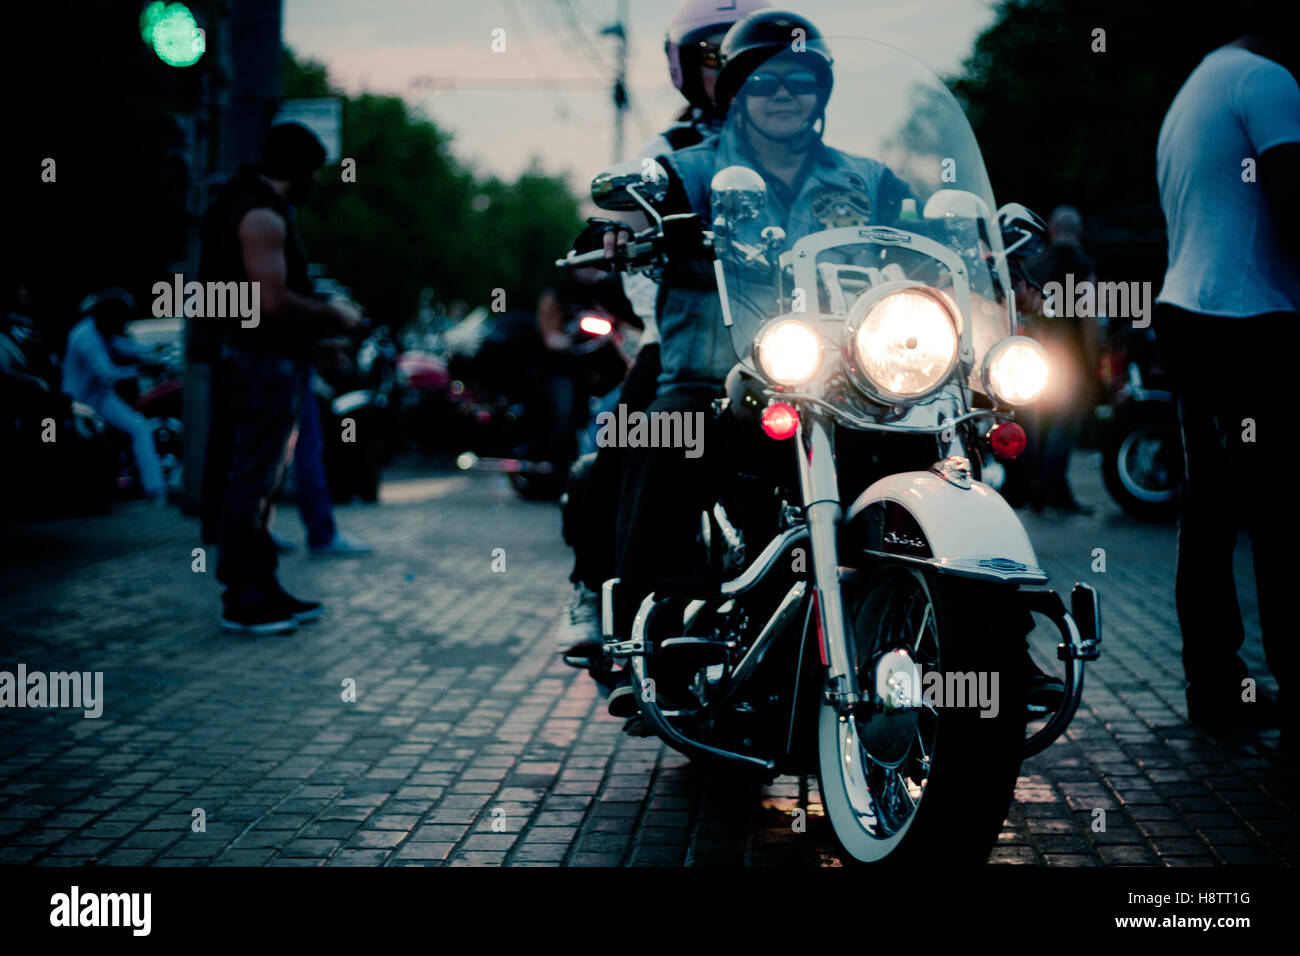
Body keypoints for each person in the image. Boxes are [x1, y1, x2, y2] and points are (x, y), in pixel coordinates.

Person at [555, 0, 770, 655]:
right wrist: (620, 233)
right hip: (685, 338)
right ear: (685, 66)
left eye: (757, 60)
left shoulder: (826, 161)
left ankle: (982, 631)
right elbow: (625, 216)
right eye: (713, 54)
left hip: (799, 343)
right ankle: (607, 596)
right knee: (638, 437)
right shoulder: (672, 153)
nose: (728, 68)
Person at [1153, 26, 1300, 738]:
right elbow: (1295, 203)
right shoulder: (1267, 81)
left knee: (1211, 511)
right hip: (1252, 319)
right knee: (1280, 511)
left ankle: (1215, 687)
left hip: (1191, 311)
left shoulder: (1198, 84)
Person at [200, 122, 364, 635]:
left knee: (260, 482)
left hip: (261, 359)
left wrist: (315, 343)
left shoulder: (248, 205)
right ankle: (245, 597)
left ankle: (261, 585)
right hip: (259, 364)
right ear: (300, 168)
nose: (318, 179)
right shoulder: (261, 214)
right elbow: (269, 303)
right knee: (253, 480)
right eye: (315, 169)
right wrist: (334, 315)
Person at [1024, 205, 1098, 514]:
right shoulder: (1084, 266)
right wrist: (1094, 360)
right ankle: (1056, 490)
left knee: (1039, 423)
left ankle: (1034, 489)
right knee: (1063, 427)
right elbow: (1089, 319)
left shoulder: (1034, 265)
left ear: (1052, 230)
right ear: (1078, 232)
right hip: (1072, 359)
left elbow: (1024, 311)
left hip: (1039, 356)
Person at [62, 288, 166, 501]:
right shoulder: (85, 337)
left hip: (98, 397)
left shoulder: (101, 331)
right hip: (78, 402)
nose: (122, 326)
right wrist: (142, 370)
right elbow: (107, 373)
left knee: (140, 430)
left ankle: (155, 490)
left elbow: (125, 347)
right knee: (92, 445)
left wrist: (157, 348)